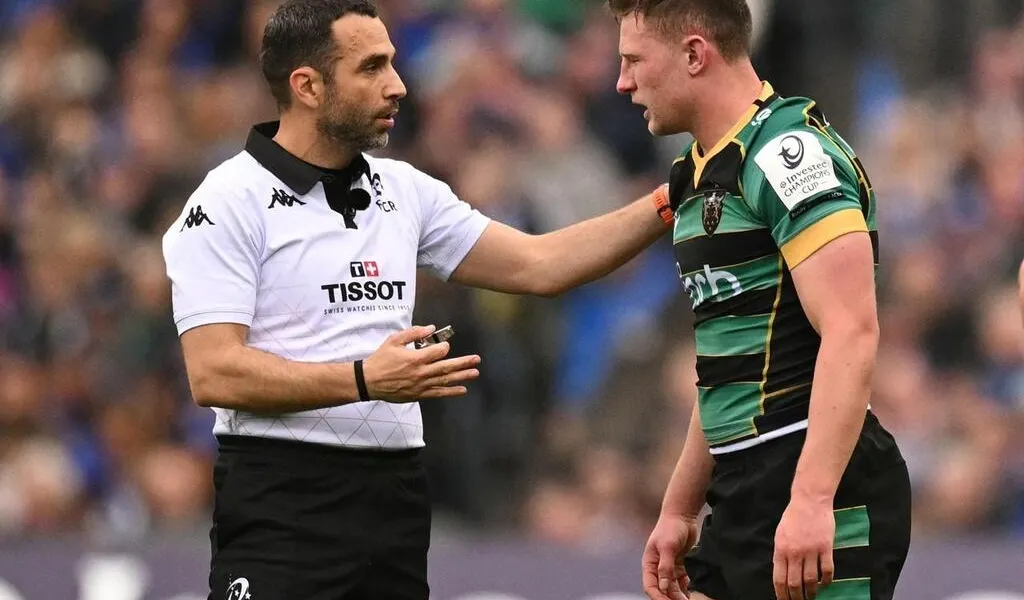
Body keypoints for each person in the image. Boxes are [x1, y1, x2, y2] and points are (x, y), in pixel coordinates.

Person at [161, 1, 672, 599]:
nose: (398, 85)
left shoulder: (403, 189)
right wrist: (364, 378)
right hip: (284, 500)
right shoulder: (227, 201)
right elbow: (214, 372)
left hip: (395, 501)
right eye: (372, 68)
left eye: (393, 64)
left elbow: (542, 263)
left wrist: (671, 197)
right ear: (308, 86)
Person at [606, 1, 912, 600]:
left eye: (634, 60)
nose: (622, 82)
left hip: (817, 476)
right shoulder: (694, 177)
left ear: (695, 54)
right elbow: (727, 366)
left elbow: (852, 331)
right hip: (744, 490)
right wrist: (678, 507)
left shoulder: (787, 153)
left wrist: (812, 499)